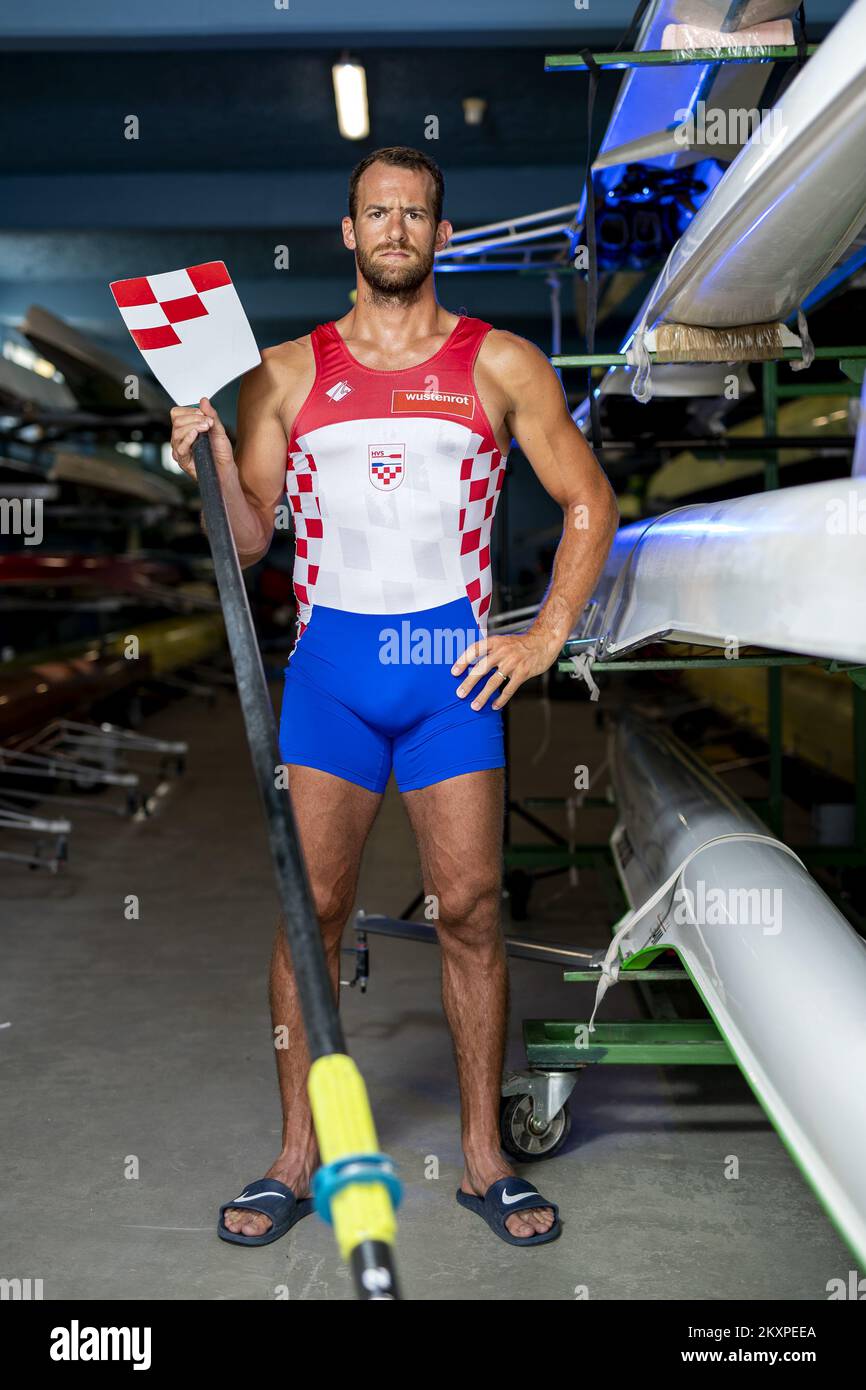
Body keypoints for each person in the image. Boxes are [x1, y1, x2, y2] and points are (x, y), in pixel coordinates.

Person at [170, 145, 618, 1249]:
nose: (395, 230)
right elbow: (248, 539)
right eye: (378, 212)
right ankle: (295, 1155)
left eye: (414, 214)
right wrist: (211, 458)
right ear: (348, 230)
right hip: (330, 669)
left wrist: (542, 638)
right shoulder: (281, 373)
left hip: (448, 672)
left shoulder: (500, 362)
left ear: (440, 235)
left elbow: (587, 503)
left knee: (468, 908)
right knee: (308, 913)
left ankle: (482, 1158)